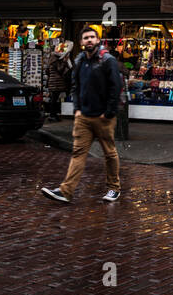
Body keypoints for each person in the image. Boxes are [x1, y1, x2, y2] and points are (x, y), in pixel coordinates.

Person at [41, 27, 122, 204]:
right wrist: (77, 108)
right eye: (86, 38)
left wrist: (108, 112)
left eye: (93, 37)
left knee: (109, 153)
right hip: (83, 117)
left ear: (98, 40)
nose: (90, 40)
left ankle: (114, 188)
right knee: (78, 153)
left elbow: (116, 87)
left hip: (103, 118)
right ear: (81, 42)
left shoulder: (108, 60)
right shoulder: (79, 61)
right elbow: (75, 85)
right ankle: (66, 191)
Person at [44, 40, 73, 122]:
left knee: (54, 99)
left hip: (53, 82)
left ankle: (53, 115)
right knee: (54, 99)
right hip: (56, 82)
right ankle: (52, 115)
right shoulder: (56, 60)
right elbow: (60, 70)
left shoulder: (51, 59)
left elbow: (47, 71)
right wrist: (64, 62)